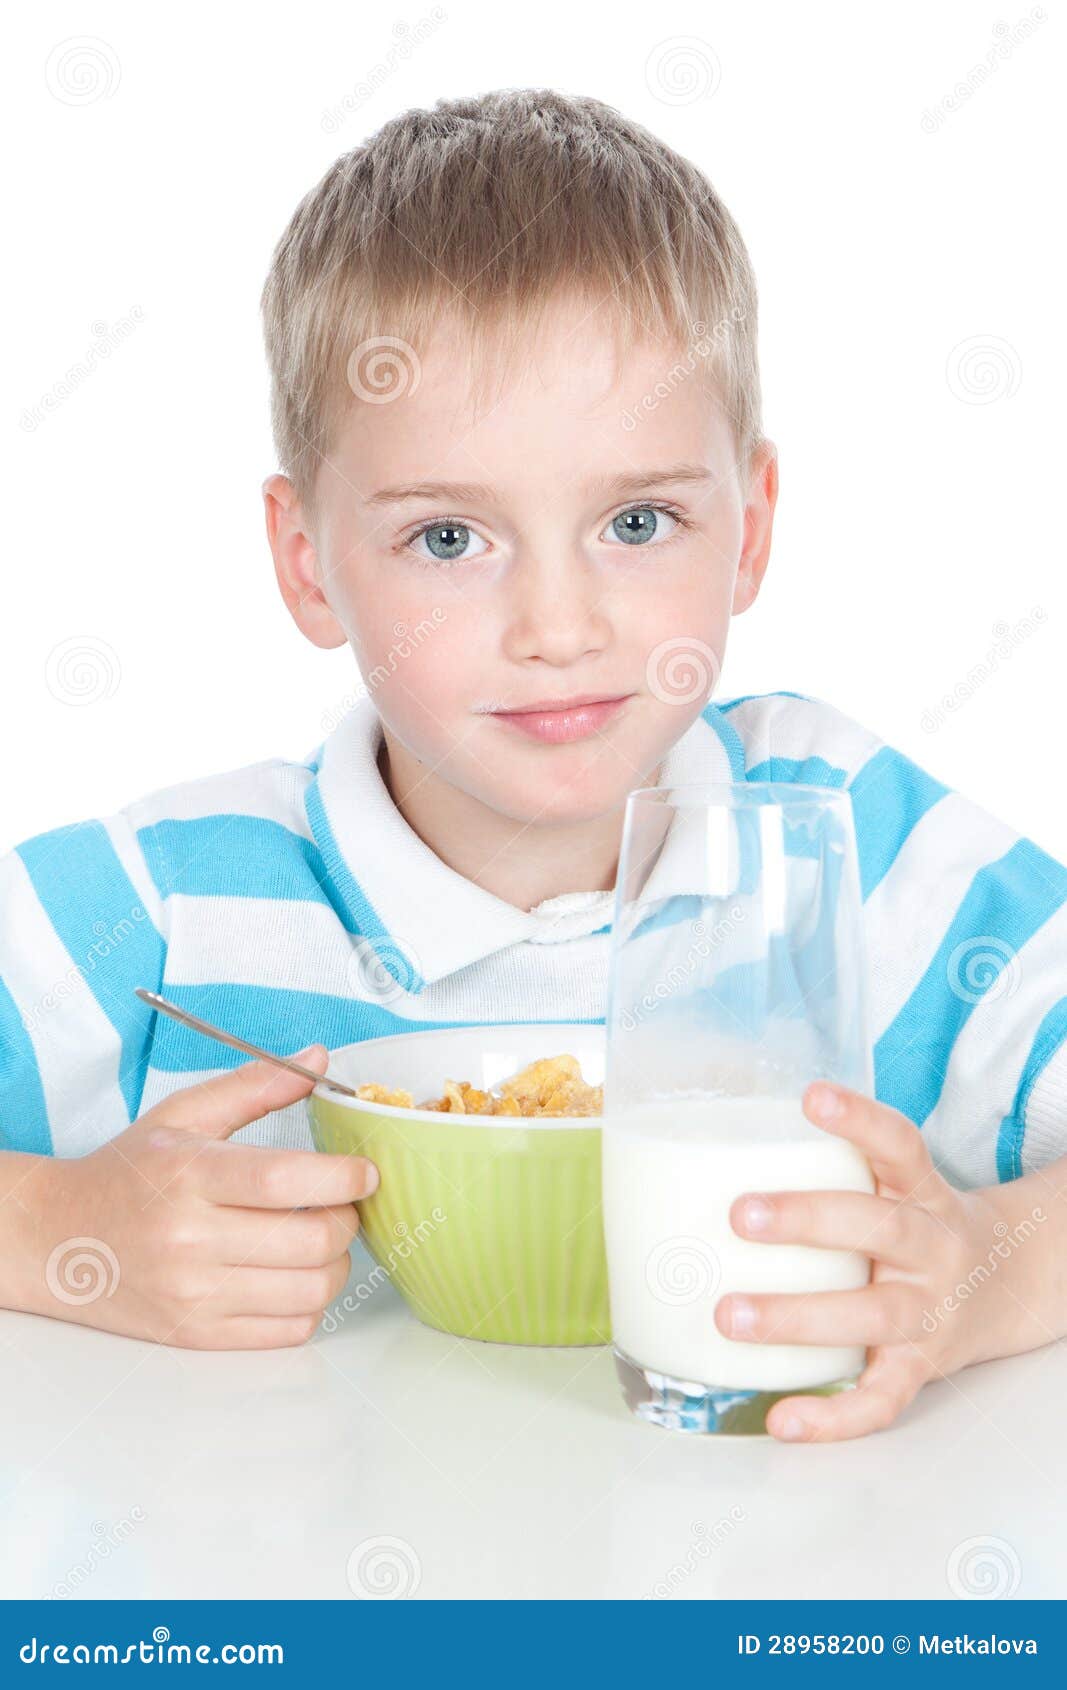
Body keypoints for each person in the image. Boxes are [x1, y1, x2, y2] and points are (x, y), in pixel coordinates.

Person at [2, 90, 1064, 1440]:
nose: (559, 629)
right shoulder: (165, 910)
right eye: (449, 539)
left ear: (751, 527)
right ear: (306, 561)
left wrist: (987, 1275)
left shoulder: (844, 847)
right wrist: (51, 1232)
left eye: (638, 519)